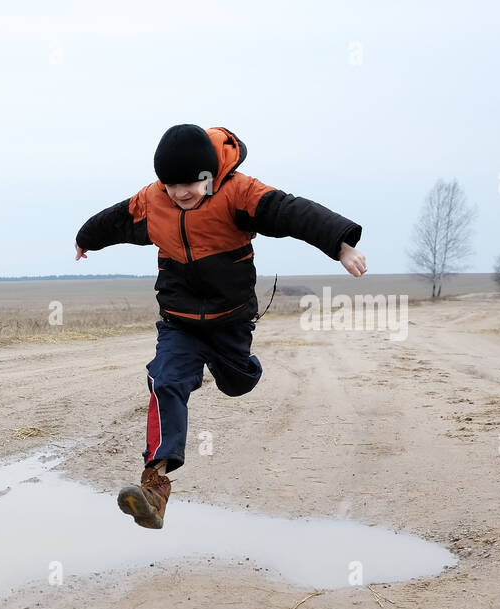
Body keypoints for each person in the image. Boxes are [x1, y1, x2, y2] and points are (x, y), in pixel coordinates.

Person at [75, 124, 366, 529]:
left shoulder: (240, 192)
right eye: (171, 184)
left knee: (237, 382)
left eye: (190, 183)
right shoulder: (154, 201)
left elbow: (293, 212)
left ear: (210, 175)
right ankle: (155, 485)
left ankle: (246, 366)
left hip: (230, 320)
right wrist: (86, 239)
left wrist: (340, 244)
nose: (180, 193)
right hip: (180, 322)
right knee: (165, 380)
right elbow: (116, 220)